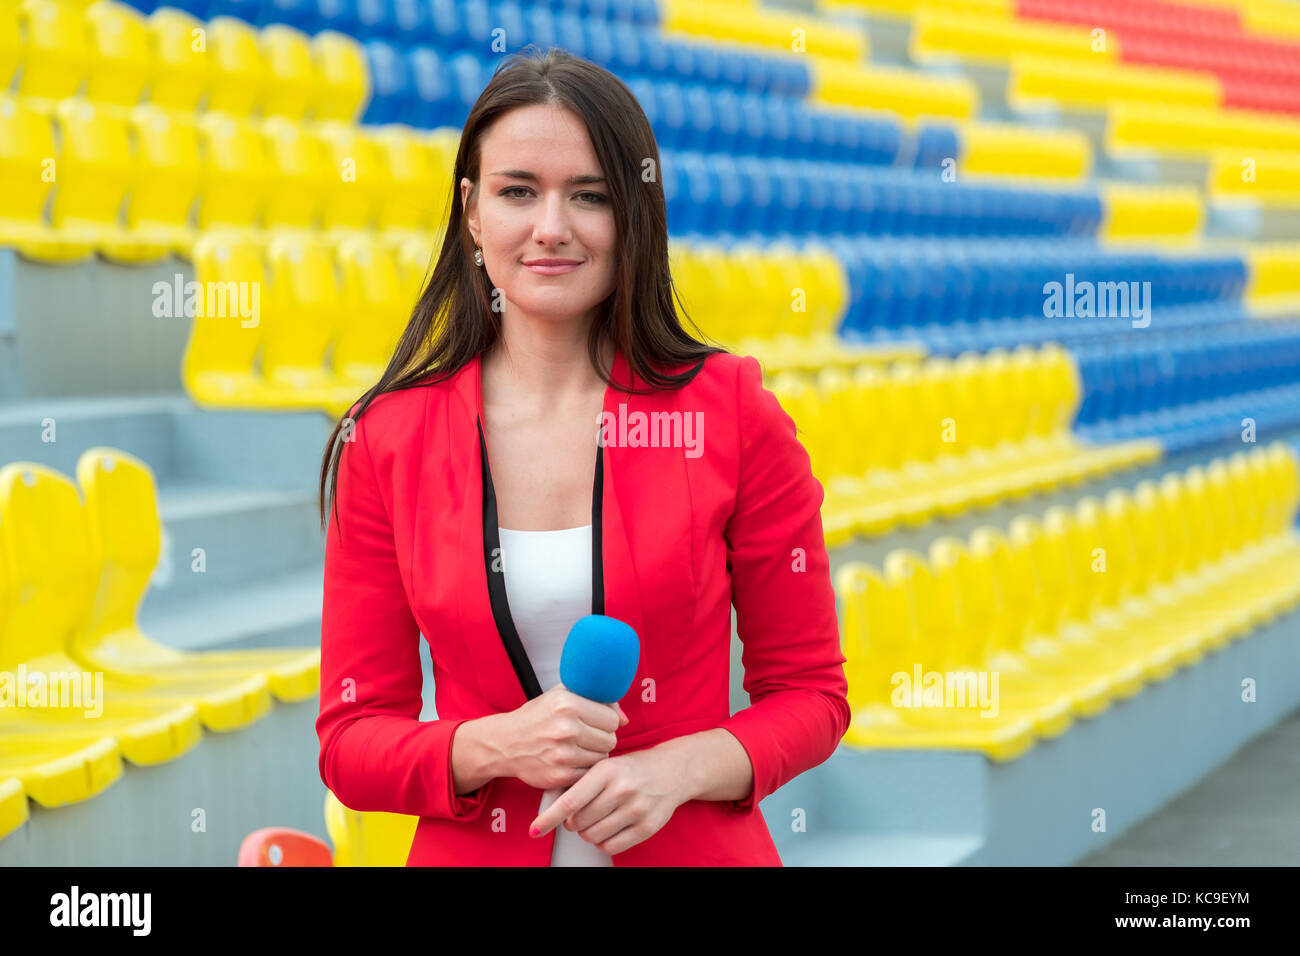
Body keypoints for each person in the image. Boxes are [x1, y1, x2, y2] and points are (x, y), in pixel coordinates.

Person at [315, 47, 850, 866]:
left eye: (590, 196)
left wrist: (682, 769)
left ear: (633, 215)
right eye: (518, 191)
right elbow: (351, 740)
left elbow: (811, 696)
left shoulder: (732, 412)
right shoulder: (385, 438)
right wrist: (494, 746)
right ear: (471, 211)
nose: (551, 227)